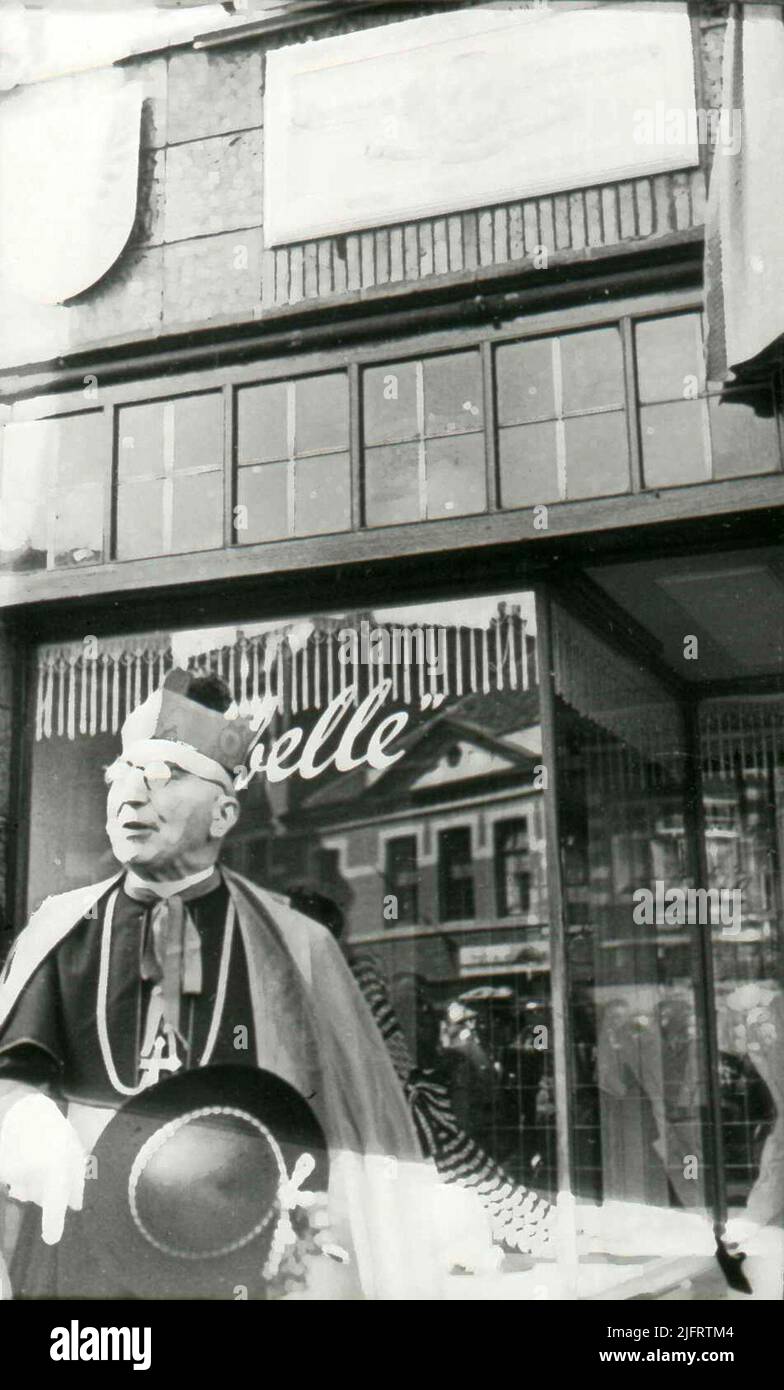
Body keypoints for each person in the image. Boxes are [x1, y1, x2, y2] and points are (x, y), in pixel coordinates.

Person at [0, 668, 445, 1299]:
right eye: (121, 776)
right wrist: (23, 1120)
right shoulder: (60, 928)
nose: (130, 797)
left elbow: (347, 1132)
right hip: (82, 1245)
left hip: (242, 1244)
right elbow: (10, 1073)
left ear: (225, 812)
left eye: (164, 778)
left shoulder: (298, 944)